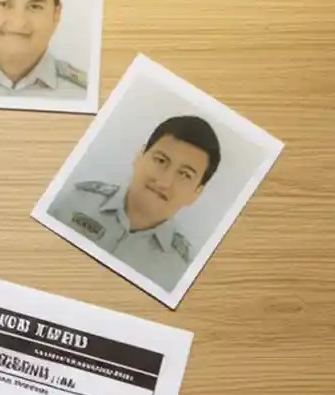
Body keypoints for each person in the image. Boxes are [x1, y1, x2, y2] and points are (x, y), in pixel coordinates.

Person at [48, 115, 221, 291]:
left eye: (185, 175)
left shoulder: (182, 272)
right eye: (160, 160)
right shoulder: (76, 200)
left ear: (196, 193)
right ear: (139, 156)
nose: (164, 181)